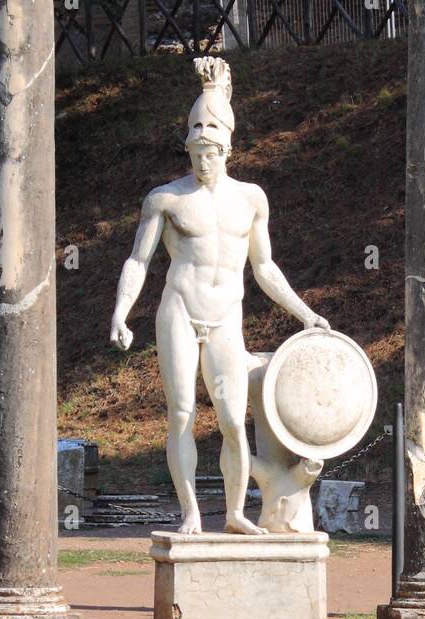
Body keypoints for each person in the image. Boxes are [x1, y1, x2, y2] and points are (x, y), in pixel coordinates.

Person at [110, 57, 329, 534]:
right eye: (195, 151)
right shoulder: (165, 198)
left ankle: (233, 514)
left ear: (227, 149)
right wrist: (121, 314)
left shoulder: (251, 198)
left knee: (232, 419)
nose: (201, 160)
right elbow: (138, 261)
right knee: (182, 411)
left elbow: (265, 267)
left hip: (227, 313)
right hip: (180, 309)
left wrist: (305, 313)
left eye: (210, 151)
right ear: (187, 148)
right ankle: (191, 512)